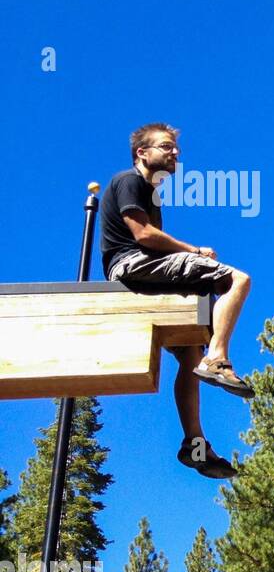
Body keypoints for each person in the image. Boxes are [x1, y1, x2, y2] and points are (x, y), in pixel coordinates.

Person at [100, 123, 253, 479]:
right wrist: (195, 250)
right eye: (166, 147)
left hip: (137, 267)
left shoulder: (150, 194)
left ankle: (194, 442)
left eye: (175, 148)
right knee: (237, 279)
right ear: (142, 153)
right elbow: (143, 235)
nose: (175, 153)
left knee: (189, 352)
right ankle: (219, 358)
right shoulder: (129, 180)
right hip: (132, 265)